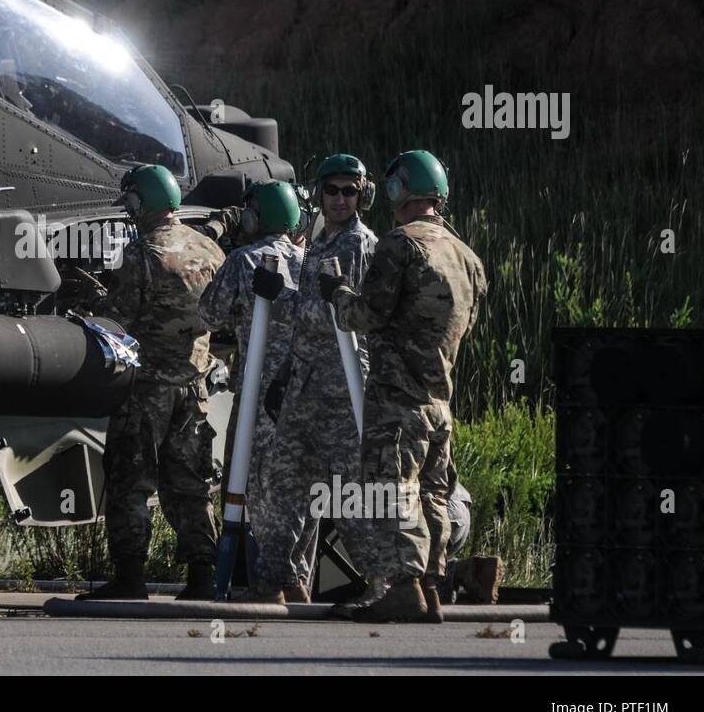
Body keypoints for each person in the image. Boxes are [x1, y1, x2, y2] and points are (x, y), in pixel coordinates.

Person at [322, 150, 488, 622]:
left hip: (398, 402)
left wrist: (336, 292)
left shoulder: (398, 245)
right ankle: (430, 587)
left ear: (398, 191)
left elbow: (366, 315)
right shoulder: (467, 257)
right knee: (434, 495)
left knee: (394, 491)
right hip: (440, 404)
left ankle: (405, 587)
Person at [79, 163, 226, 601]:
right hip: (195, 389)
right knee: (190, 485)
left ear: (142, 202)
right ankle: (203, 577)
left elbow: (118, 323)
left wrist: (92, 307)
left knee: (131, 482)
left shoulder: (142, 254)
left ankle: (130, 577)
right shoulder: (211, 252)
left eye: (130, 201)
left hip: (145, 393)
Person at [254, 154, 379, 605]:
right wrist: (287, 370)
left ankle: (390, 584)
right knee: (284, 484)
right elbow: (313, 313)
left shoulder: (357, 243)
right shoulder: (322, 242)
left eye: (350, 191)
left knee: (351, 494)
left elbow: (330, 316)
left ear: (362, 195)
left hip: (343, 389)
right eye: (333, 191)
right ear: (319, 195)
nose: (341, 199)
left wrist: (280, 298)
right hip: (307, 385)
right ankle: (275, 580)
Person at [196, 181, 306, 595]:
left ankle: (266, 581)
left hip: (258, 394)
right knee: (292, 487)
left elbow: (208, 312)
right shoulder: (309, 260)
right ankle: (294, 578)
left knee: (251, 486)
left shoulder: (244, 260)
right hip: (301, 394)